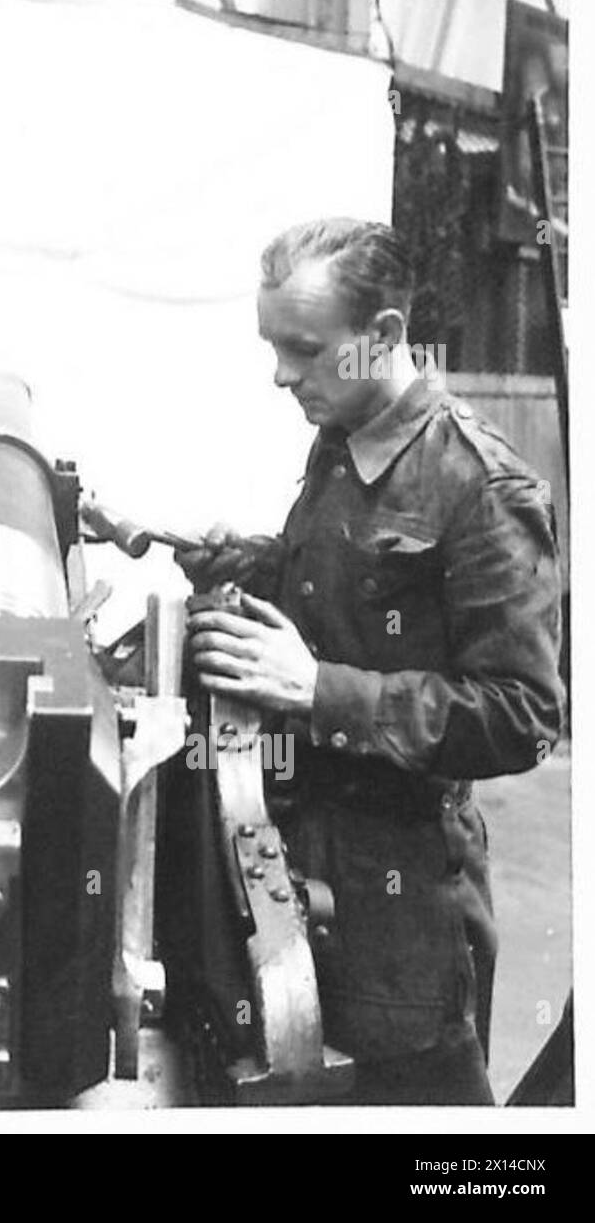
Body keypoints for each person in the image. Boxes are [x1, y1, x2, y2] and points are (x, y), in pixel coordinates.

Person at [180, 218, 563, 1104]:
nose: (281, 375)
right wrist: (249, 563)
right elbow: (353, 590)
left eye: (305, 350)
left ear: (385, 336)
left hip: (406, 907)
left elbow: (520, 714)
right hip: (303, 851)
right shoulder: (343, 435)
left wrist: (319, 691)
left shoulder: (482, 487)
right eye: (274, 346)